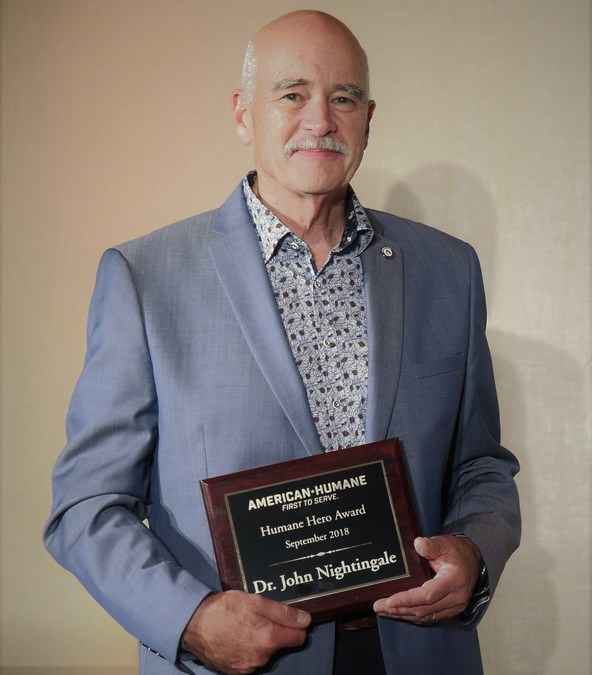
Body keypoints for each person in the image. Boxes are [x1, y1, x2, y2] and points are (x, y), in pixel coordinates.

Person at [43, 10, 520, 675]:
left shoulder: (448, 269)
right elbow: (86, 506)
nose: (319, 119)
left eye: (343, 97)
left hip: (419, 650)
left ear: (368, 119)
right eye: (292, 94)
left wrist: (474, 551)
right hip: (236, 665)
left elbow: (482, 466)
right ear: (244, 114)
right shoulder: (145, 277)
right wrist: (190, 619)